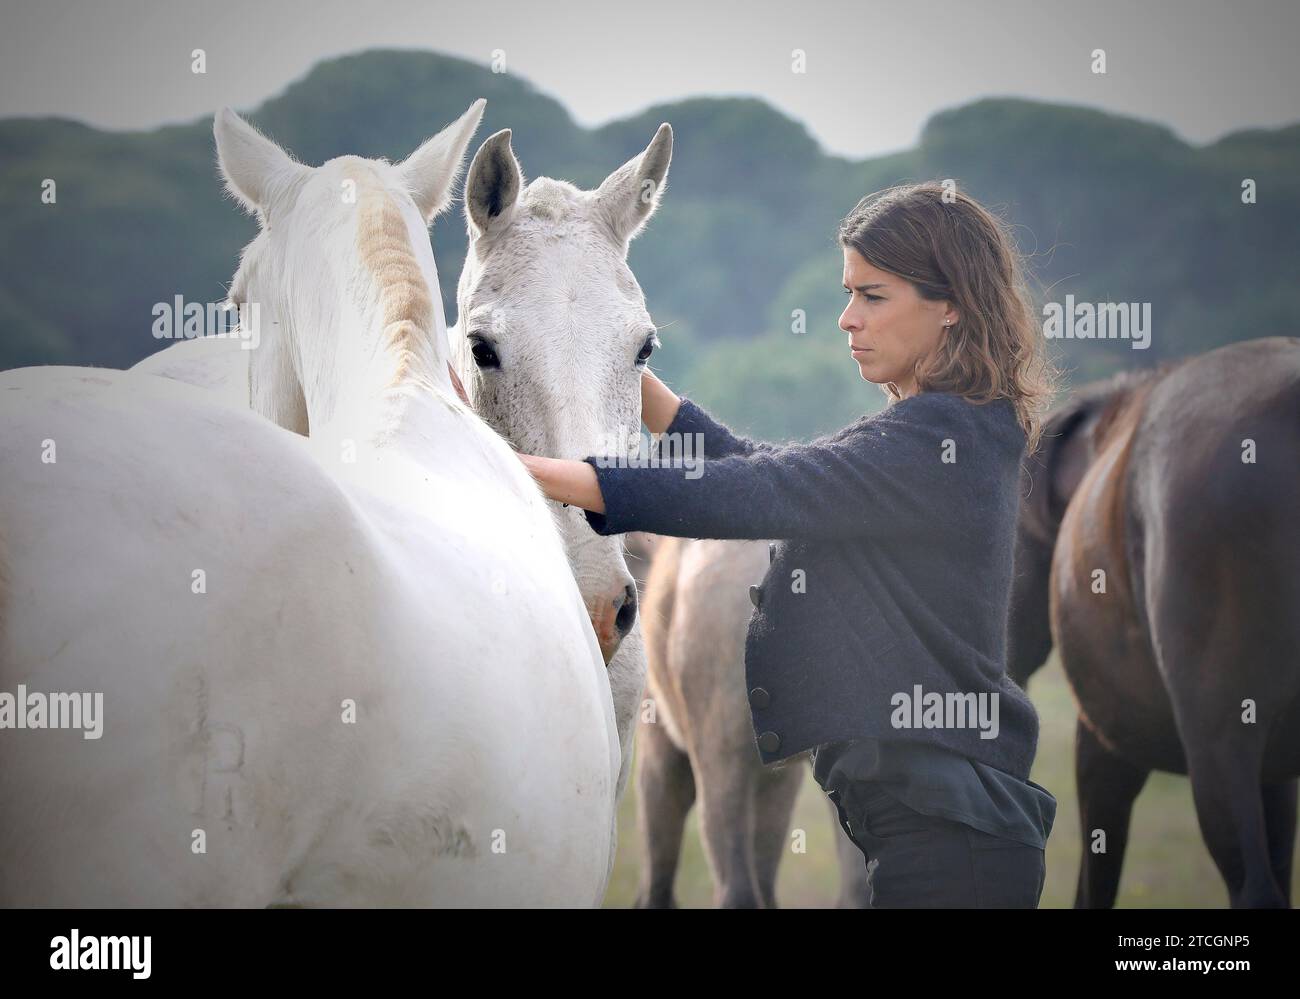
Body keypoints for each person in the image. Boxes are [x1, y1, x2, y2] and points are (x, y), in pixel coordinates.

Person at [512, 182, 1059, 908]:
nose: (847, 318)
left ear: (950, 304)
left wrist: (517, 469)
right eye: (848, 294)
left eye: (873, 296)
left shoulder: (938, 439)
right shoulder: (948, 430)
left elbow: (756, 489)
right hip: (941, 832)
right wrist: (624, 367)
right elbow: (768, 469)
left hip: (949, 847)